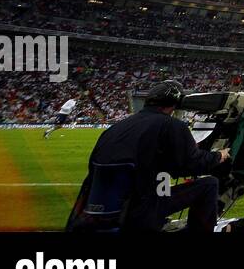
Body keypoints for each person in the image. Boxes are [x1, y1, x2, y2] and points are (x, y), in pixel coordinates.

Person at [72, 80, 230, 232]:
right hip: (140, 212)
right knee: (209, 184)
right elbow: (193, 164)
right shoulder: (172, 125)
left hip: (100, 213)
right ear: (176, 102)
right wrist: (218, 155)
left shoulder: (115, 128)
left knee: (162, 183)